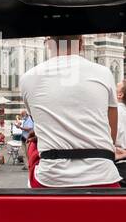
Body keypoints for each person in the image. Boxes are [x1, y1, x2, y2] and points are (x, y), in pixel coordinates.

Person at [20, 35, 120, 189]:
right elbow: (111, 136)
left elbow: (38, 119)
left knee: (33, 144)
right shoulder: (104, 73)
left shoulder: (27, 78)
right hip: (103, 176)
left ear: (48, 44)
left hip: (50, 179)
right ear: (80, 44)